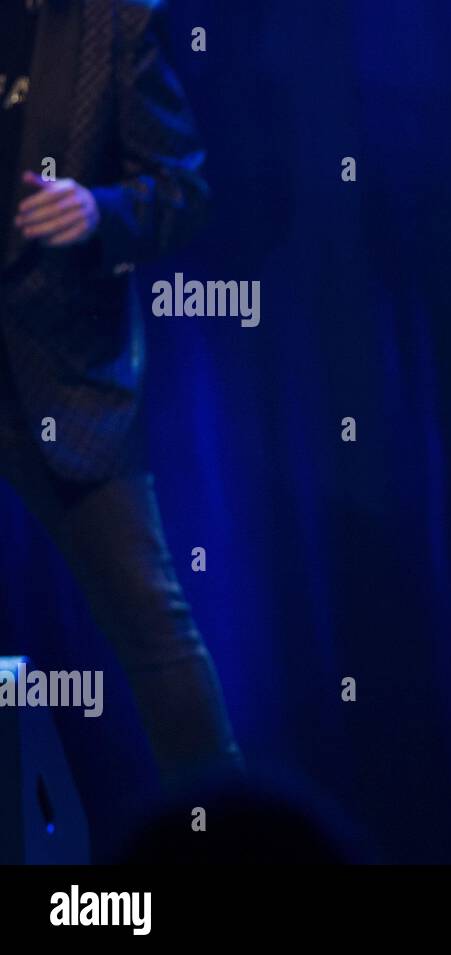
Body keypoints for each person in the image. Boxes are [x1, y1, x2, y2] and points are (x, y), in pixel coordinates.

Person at [0, 0, 242, 788]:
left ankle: (224, 839)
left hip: (61, 371)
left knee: (150, 622)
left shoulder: (114, 20)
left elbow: (182, 189)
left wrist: (96, 209)